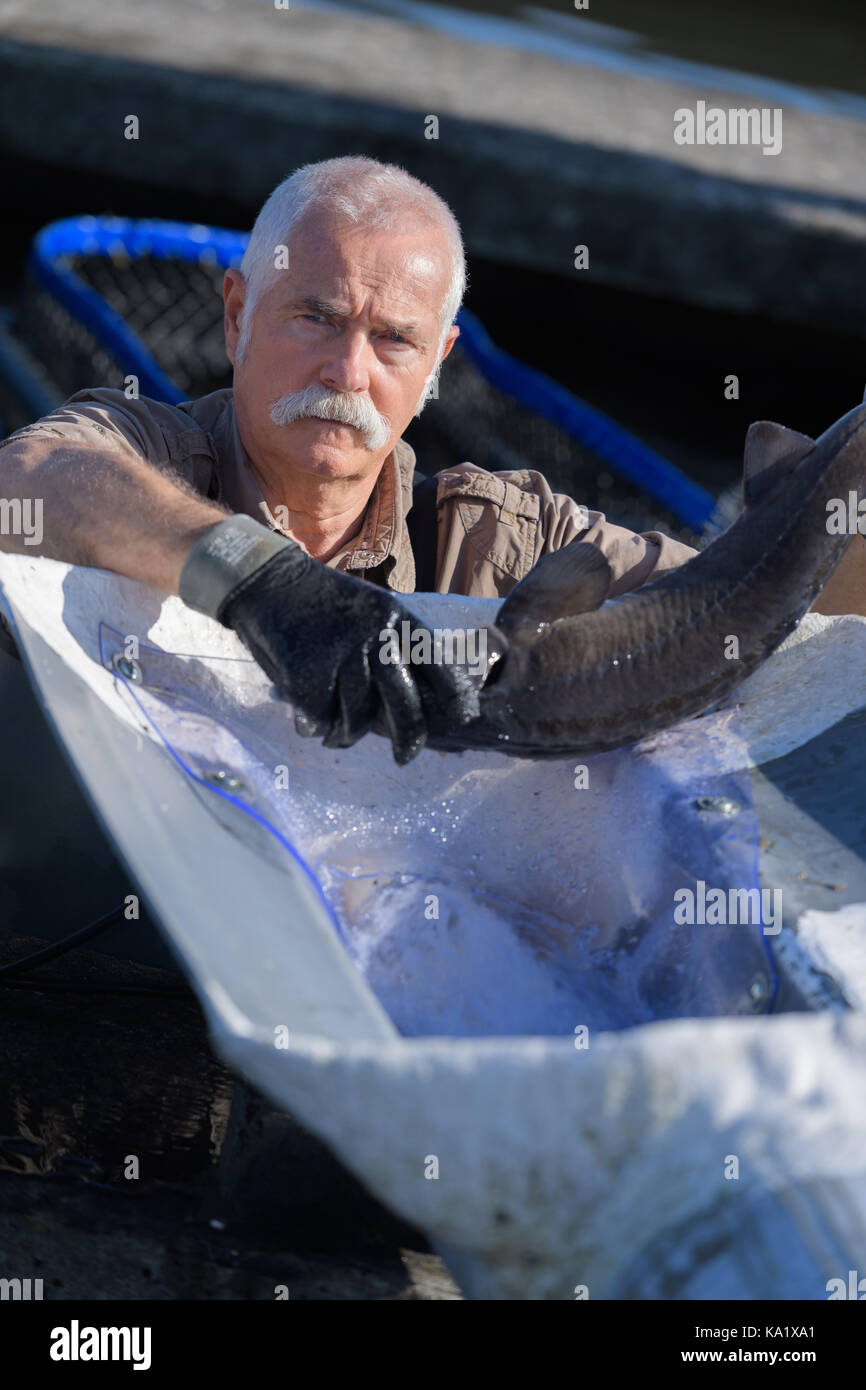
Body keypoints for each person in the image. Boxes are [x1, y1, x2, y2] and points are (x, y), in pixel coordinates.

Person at [0, 156, 855, 761]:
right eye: (316, 318)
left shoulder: (505, 535)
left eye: (394, 340)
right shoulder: (155, 450)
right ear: (235, 316)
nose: (347, 372)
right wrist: (261, 580)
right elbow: (26, 482)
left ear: (439, 363)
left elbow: (748, 617)